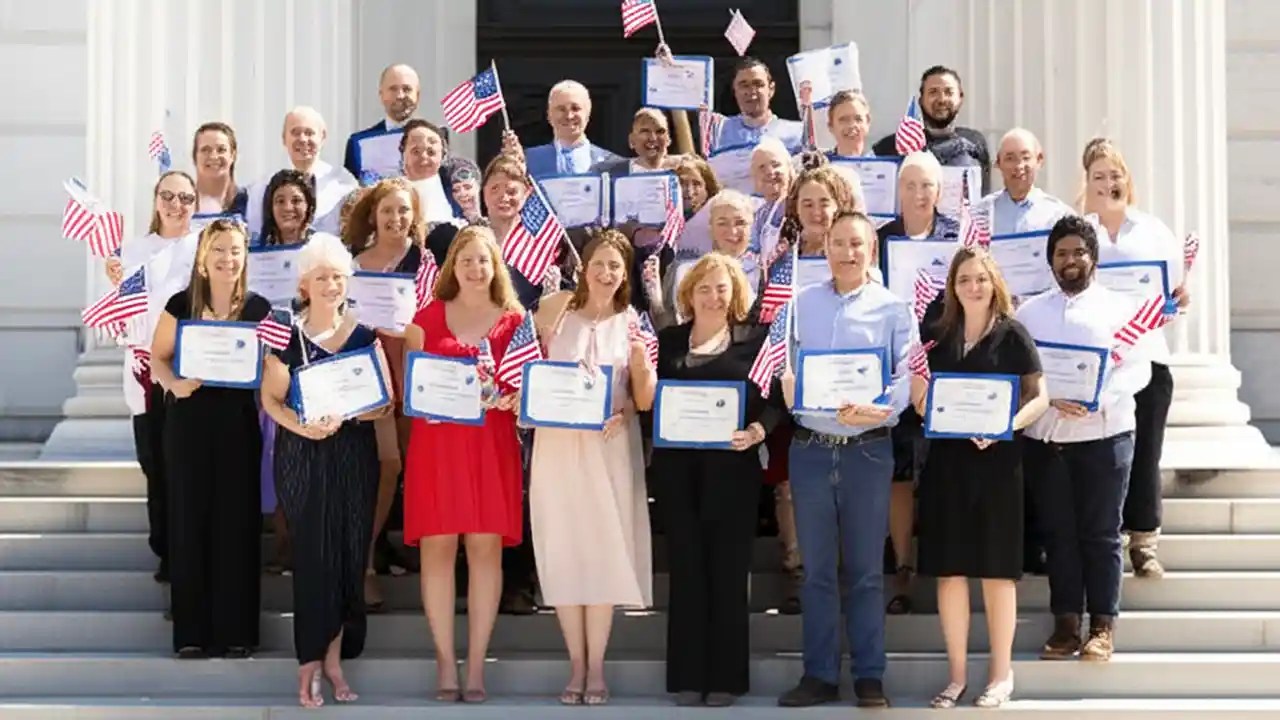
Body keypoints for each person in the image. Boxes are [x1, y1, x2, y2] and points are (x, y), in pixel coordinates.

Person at [777, 211, 916, 709]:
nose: (847, 252)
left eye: (857, 244)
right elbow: (782, 364)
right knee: (815, 572)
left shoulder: (893, 309)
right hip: (811, 450)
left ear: (871, 251)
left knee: (863, 571)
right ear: (826, 247)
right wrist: (788, 387)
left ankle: (869, 676)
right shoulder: (799, 306)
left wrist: (885, 407)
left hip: (867, 449)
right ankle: (817, 675)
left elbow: (907, 372)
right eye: (838, 243)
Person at [912, 247, 1050, 708]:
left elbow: (1039, 397)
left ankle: (1000, 673)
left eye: (982, 279)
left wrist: (1006, 426)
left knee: (996, 571)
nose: (974, 286)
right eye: (965, 279)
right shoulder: (937, 335)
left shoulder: (1013, 335)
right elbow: (919, 401)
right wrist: (922, 398)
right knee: (950, 571)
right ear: (953, 286)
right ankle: (955, 677)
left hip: (997, 465)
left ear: (995, 284)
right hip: (948, 465)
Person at [260, 234, 393, 708]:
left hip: (353, 456)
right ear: (304, 284)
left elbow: (385, 403)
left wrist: (356, 413)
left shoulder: (364, 336)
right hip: (304, 457)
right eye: (322, 277)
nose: (331, 284)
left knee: (348, 556)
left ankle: (335, 659)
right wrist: (304, 427)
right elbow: (270, 400)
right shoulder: (287, 335)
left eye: (338, 276)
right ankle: (308, 663)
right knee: (314, 559)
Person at [529, 231, 655, 706]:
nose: (606, 273)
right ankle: (575, 665)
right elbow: (525, 373)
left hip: (609, 447)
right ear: (584, 267)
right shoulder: (556, 315)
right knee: (564, 548)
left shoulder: (634, 323)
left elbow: (644, 400)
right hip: (557, 447)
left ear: (625, 274)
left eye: (615, 266)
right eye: (599, 263)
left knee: (602, 551)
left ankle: (596, 667)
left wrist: (631, 393)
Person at [1017, 215, 1151, 662]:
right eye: (1061, 253)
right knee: (1058, 534)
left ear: (1092, 257)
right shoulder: (1029, 314)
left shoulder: (1120, 308)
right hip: (1047, 441)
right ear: (1050, 260)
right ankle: (1066, 625)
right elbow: (1022, 375)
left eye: (1078, 251)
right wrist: (1048, 400)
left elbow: (1139, 369)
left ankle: (1103, 626)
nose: (1070, 260)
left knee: (1102, 534)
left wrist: (1098, 397)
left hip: (1105, 436)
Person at [652, 253, 783, 707]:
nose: (712, 296)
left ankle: (725, 678)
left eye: (721, 288)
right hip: (678, 472)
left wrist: (757, 431)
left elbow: (776, 401)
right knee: (687, 569)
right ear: (689, 295)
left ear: (735, 294)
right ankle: (688, 676)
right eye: (703, 288)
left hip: (733, 469)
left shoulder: (756, 341)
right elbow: (651, 399)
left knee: (728, 573)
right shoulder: (668, 340)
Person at [403, 226, 526, 703]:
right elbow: (412, 393)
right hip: (437, 447)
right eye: (467, 260)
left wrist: (514, 398)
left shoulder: (516, 322)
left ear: (497, 266)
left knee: (484, 551)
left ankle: (476, 666)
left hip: (491, 447)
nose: (476, 269)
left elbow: (526, 392)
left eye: (484, 260)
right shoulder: (425, 319)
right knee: (436, 549)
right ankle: (444, 663)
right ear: (452, 265)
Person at [148, 218, 271, 659]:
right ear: (202, 258)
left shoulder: (258, 309)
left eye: (235, 250)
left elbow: (275, 369)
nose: (227, 258)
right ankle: (192, 633)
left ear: (244, 257)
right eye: (218, 249)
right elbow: (156, 358)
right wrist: (173, 384)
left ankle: (237, 632)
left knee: (235, 525)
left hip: (238, 426)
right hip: (188, 425)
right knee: (189, 522)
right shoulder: (180, 304)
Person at [1081, 138, 1187, 578]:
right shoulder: (1078, 230)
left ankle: (1144, 541)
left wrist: (1179, 299)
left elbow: (1175, 289)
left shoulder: (1153, 230)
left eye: (1116, 173)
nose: (1109, 183)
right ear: (1086, 182)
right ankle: (1105, 537)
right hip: (1099, 364)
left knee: (1146, 451)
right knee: (1103, 456)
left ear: (1128, 179)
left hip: (1148, 357)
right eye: (1099, 175)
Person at [875, 150, 961, 612]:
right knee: (900, 474)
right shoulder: (881, 239)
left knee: (942, 471)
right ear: (898, 190)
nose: (918, 193)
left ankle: (944, 564)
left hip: (944, 364)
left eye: (926, 185)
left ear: (939, 190)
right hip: (896, 364)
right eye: (910, 184)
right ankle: (903, 566)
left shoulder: (956, 238)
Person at [107, 171, 197, 590]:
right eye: (168, 196)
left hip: (187, 369)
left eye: (185, 197)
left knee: (184, 464)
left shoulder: (201, 248)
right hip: (144, 369)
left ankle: (187, 550)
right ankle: (164, 548)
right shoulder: (132, 251)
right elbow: (118, 316)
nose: (176, 205)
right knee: (154, 462)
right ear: (155, 200)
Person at [344, 177, 428, 608]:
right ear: (373, 216)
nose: (396, 219)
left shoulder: (427, 263)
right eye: (388, 211)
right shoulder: (353, 265)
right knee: (387, 466)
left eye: (403, 211)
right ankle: (364, 564)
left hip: (417, 368)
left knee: (418, 468)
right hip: (371, 371)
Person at [646, 189, 760, 330]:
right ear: (710, 228)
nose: (732, 231)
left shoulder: (765, 270)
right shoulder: (688, 271)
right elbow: (676, 323)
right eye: (722, 223)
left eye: (740, 223)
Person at [873, 65, 992, 192]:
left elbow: (983, 198)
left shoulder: (974, 141)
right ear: (921, 100)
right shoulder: (891, 146)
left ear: (960, 98)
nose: (941, 99)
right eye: (933, 92)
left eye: (948, 92)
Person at [246, 106, 359, 236]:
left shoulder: (344, 183)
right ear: (284, 138)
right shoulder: (262, 187)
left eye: (309, 133)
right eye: (295, 132)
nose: (303, 139)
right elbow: (255, 235)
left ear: (323, 137)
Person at [977, 128, 1072, 235]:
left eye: (1026, 158)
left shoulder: (1057, 215)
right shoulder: (981, 214)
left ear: (1039, 160)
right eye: (1010, 159)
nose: (1019, 166)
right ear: (998, 163)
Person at [521, 80, 620, 179]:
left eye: (575, 108)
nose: (569, 116)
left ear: (588, 112)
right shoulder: (527, 161)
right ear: (549, 115)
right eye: (561, 109)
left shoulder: (614, 164)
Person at [344, 63, 421, 181]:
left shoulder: (435, 138)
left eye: (407, 89)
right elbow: (351, 194)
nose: (400, 95)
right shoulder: (359, 142)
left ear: (417, 95)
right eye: (393, 89)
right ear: (381, 95)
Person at [713, 57, 804, 154]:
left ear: (771, 89)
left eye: (758, 84)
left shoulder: (797, 133)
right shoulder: (719, 130)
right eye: (744, 85)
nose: (751, 92)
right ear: (735, 90)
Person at [400, 118, 466, 223]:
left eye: (431, 152)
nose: (423, 156)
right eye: (416, 151)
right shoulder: (395, 191)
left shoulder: (455, 188)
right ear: (404, 154)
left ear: (442, 154)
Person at [592, 108, 677, 177]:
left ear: (668, 139)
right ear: (632, 140)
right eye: (645, 131)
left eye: (660, 131)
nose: (653, 138)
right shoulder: (608, 172)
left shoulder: (681, 171)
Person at [191, 122, 248, 215]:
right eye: (205, 150)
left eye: (221, 150)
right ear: (194, 156)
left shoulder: (249, 203)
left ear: (233, 156)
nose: (214, 156)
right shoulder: (181, 205)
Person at [826, 90, 874, 158]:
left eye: (858, 119)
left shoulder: (883, 165)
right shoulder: (820, 167)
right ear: (831, 126)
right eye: (844, 120)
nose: (852, 125)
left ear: (868, 123)